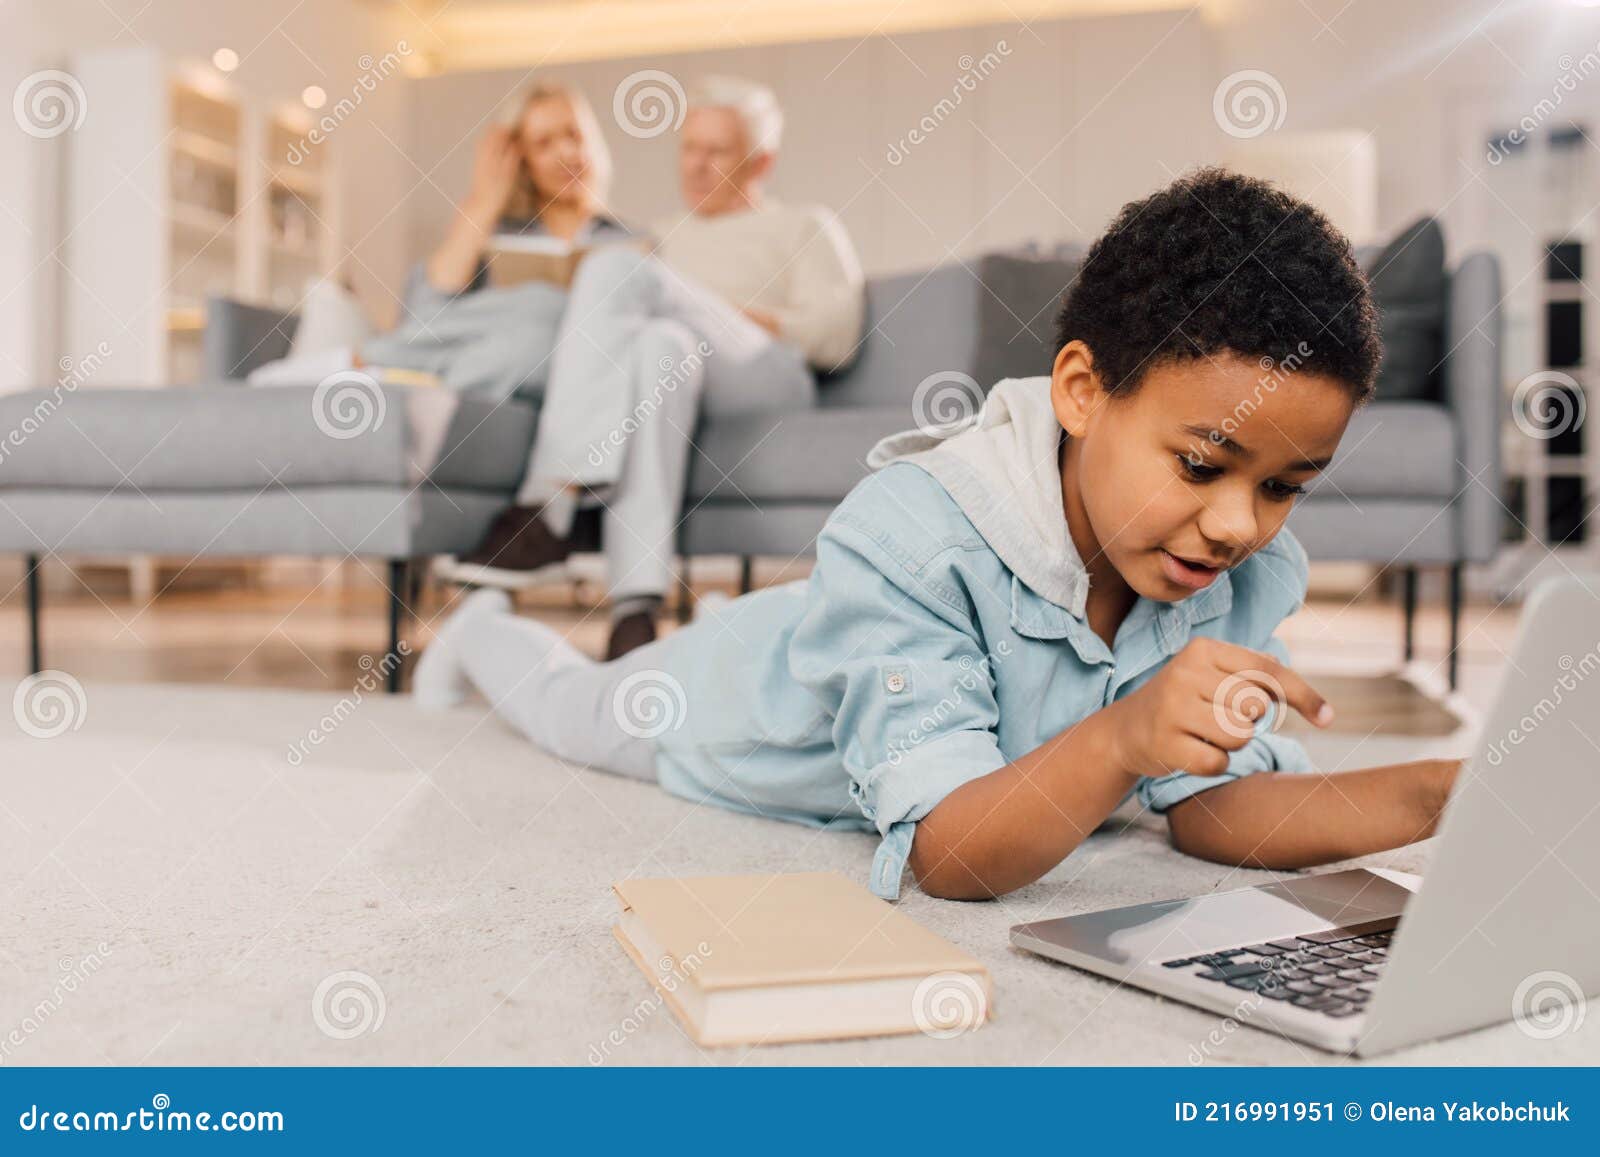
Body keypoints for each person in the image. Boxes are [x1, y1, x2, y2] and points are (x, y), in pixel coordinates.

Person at [414, 169, 1461, 902]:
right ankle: (481, 624)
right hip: (724, 702)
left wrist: (1436, 791)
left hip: (855, 640)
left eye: (1283, 485)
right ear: (1083, 391)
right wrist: (1123, 734)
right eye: (1199, 465)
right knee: (563, 703)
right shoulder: (916, 533)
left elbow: (1212, 805)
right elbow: (950, 857)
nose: (1238, 523)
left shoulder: (1233, 564)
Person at [436, 76, 866, 660]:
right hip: (684, 373)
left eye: (716, 151)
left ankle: (548, 504)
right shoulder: (658, 237)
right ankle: (635, 611)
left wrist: (715, 309)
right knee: (661, 347)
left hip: (765, 375)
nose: (696, 165)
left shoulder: (803, 226)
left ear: (761, 161)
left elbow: (834, 337)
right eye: (688, 149)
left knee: (620, 275)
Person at [249, 79, 629, 402]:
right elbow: (424, 312)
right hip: (510, 362)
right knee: (531, 331)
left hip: (568, 361)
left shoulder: (627, 240)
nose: (566, 153)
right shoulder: (502, 231)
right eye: (544, 144)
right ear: (521, 159)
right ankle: (400, 379)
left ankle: (372, 367)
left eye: (573, 135)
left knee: (549, 310)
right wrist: (485, 201)